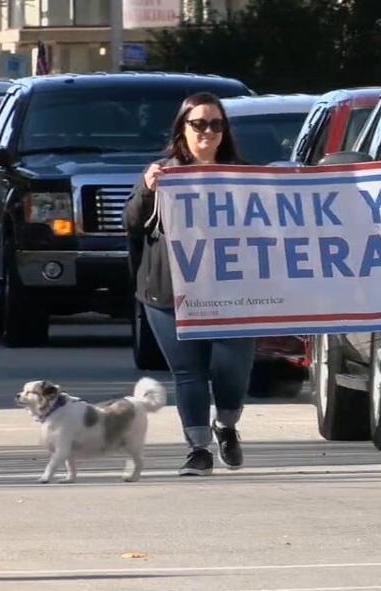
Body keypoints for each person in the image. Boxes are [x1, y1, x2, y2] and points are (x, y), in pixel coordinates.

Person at [124, 92, 252, 477]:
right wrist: (147, 190)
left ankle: (226, 425)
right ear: (183, 128)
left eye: (216, 124)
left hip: (235, 291)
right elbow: (132, 222)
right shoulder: (161, 174)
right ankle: (198, 449)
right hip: (168, 291)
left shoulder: (244, 175)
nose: (208, 132)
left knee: (232, 369)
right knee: (189, 372)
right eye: (199, 124)